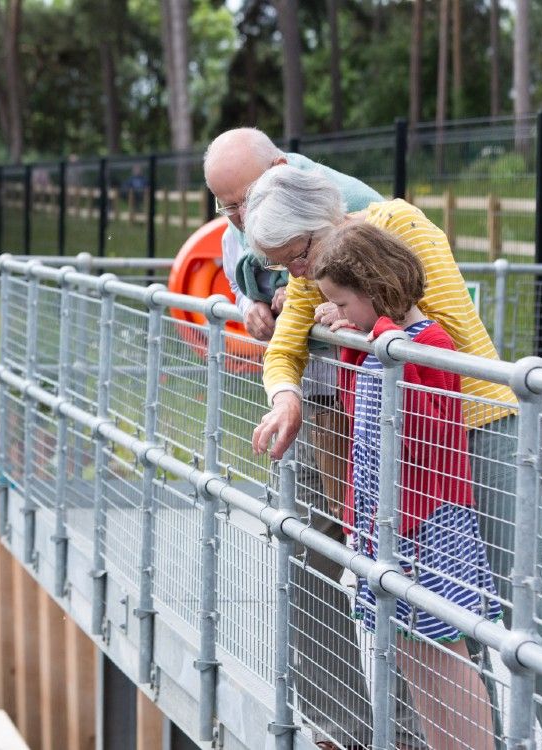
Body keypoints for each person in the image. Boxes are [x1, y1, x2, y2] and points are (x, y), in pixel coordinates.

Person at [244, 166, 542, 750]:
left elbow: (446, 334)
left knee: (527, 619)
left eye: (297, 257)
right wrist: (285, 396)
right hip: (417, 458)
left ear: (321, 227)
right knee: (452, 625)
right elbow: (284, 346)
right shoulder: (323, 268)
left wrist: (367, 327)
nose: (297, 276)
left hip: (480, 431)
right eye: (286, 266)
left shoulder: (393, 230)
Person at [205, 128, 399, 750]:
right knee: (310, 547)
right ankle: (346, 730)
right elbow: (246, 272)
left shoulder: (340, 203)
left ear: (281, 169)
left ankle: (412, 731)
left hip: (367, 397)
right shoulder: (252, 215)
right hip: (314, 394)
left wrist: (322, 302)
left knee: (388, 558)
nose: (236, 214)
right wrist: (249, 302)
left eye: (243, 200)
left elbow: (395, 285)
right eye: (225, 205)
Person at [314, 221, 503, 750]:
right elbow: (360, 408)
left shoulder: (429, 344)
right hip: (387, 523)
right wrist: (354, 344)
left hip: (429, 522)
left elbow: (421, 435)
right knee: (410, 648)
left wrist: (376, 340)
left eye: (343, 303)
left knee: (443, 649)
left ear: (376, 291)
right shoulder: (384, 342)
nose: (338, 313)